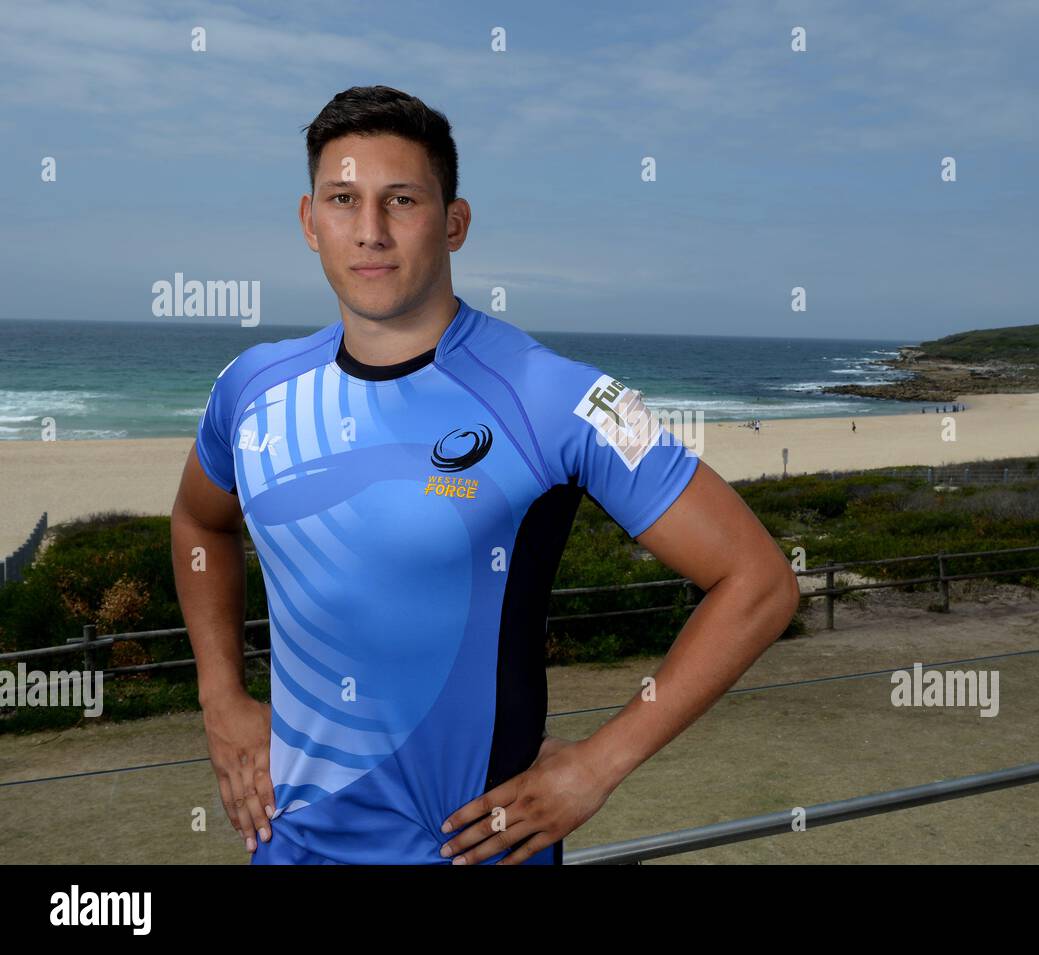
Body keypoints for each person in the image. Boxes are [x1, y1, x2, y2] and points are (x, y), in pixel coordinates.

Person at [170, 86, 799, 866]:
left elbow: (760, 581)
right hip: (287, 847)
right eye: (343, 200)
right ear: (309, 221)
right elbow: (199, 523)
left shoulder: (557, 395)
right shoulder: (251, 387)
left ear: (454, 222)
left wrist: (598, 765)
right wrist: (222, 696)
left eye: (401, 200)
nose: (369, 231)